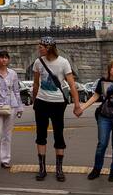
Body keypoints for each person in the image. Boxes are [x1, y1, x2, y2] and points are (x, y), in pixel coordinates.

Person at [30, 37, 81, 181]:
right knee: (41, 135)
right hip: (41, 102)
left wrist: (77, 105)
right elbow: (35, 84)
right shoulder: (38, 62)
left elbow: (72, 85)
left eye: (41, 46)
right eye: (39, 46)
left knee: (58, 134)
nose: (39, 48)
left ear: (50, 47)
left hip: (58, 103)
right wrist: (34, 101)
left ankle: (59, 169)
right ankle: (42, 168)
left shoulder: (63, 62)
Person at [0, 50, 22, 168]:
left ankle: (5, 160)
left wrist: (19, 107)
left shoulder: (13, 74)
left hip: (11, 105)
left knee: (7, 134)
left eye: (6, 58)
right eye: (1, 57)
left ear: (8, 60)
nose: (4, 59)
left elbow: (16, 91)